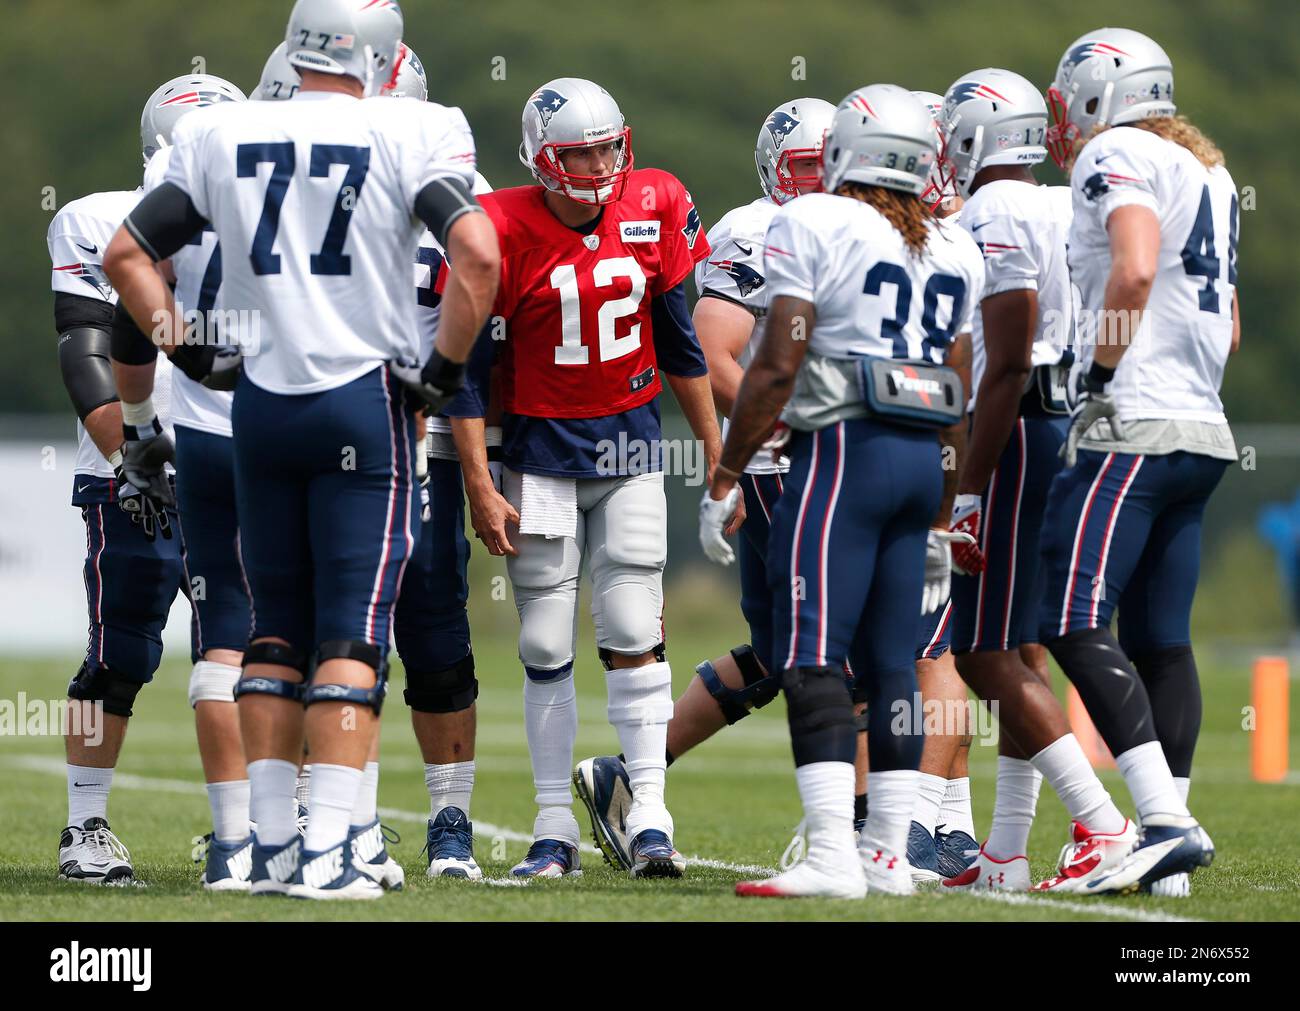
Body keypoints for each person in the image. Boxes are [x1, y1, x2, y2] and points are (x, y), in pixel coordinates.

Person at [102, 0, 499, 899]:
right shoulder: (412, 128)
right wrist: (441, 372)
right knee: (351, 632)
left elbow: (128, 254)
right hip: (362, 401)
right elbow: (477, 253)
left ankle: (269, 849)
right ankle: (331, 848)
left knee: (268, 635)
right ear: (378, 56)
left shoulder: (220, 131)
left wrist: (190, 347)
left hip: (259, 408)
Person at [701, 84, 984, 898]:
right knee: (894, 663)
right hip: (919, 458)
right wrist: (941, 511)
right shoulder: (953, 245)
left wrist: (726, 471)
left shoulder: (815, 221)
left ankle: (833, 851)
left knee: (814, 655)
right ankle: (888, 853)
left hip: (844, 454)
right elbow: (957, 390)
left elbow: (778, 361)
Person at [459, 76, 717, 879]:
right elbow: (464, 370)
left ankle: (650, 814)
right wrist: (478, 478)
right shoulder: (497, 224)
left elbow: (681, 345)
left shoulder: (658, 201)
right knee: (542, 640)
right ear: (542, 159)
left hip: (631, 449)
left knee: (635, 625)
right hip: (537, 454)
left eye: (609, 146)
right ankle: (550, 829)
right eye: (580, 152)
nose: (602, 164)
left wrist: (717, 451)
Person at [573, 98, 834, 871]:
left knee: (788, 648)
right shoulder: (757, 228)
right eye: (804, 169)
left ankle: (631, 772)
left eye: (831, 166)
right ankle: (857, 826)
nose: (819, 184)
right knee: (827, 644)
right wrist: (786, 427)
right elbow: (718, 353)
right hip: (781, 461)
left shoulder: (858, 227)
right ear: (773, 171)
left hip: (828, 455)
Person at [1036, 27, 1238, 895]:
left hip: (1139, 420)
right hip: (1203, 427)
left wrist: (1099, 371)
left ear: (1099, 94)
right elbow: (1227, 323)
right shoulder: (1211, 173)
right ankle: (1172, 865)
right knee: (1162, 639)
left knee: (1069, 615)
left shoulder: (1116, 152)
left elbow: (1133, 270)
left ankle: (1162, 820)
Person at [46, 73, 242, 886]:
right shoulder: (95, 220)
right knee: (119, 652)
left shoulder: (266, 225)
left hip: (236, 457)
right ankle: (84, 821)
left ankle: (268, 815)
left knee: (257, 646)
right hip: (131, 461)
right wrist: (131, 453)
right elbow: (86, 350)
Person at [138, 73, 259, 890]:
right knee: (327, 631)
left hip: (202, 432)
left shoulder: (161, 194)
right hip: (298, 419)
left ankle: (234, 841)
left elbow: (124, 317)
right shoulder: (291, 173)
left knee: (224, 634)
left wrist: (146, 425)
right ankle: (330, 831)